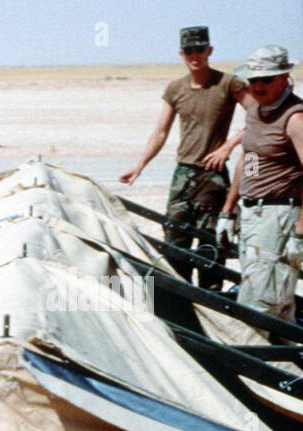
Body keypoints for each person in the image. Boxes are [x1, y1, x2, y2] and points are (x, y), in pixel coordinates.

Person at [119, 26, 251, 286]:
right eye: (189, 51)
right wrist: (140, 166)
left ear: (209, 51)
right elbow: (160, 132)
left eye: (200, 50)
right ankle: (181, 305)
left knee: (210, 247)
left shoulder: (228, 83)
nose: (195, 55)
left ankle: (211, 304)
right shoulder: (175, 88)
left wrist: (227, 147)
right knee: (175, 242)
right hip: (183, 175)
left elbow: (258, 118)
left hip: (213, 178)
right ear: (181, 54)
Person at [219, 46, 303, 321]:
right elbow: (251, 160)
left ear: (283, 78)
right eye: (253, 80)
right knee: (276, 305)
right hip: (252, 214)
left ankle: (250, 361)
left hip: (279, 217)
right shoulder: (255, 111)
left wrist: (300, 232)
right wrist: (228, 210)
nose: (258, 86)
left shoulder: (294, 118)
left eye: (266, 79)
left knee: (260, 304)